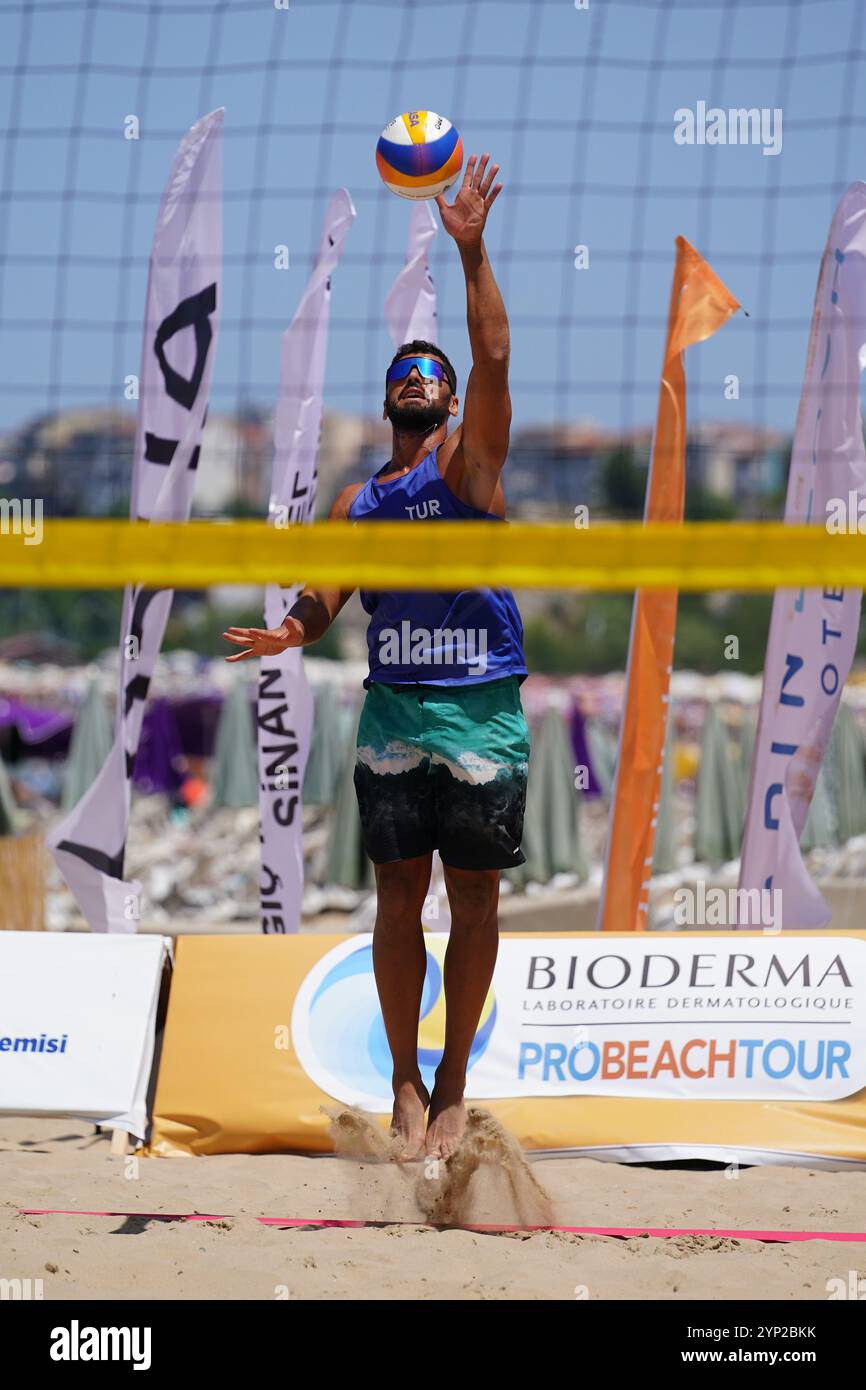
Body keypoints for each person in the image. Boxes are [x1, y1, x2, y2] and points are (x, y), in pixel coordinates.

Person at [224, 153, 529, 1161]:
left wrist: (470, 249)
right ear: (387, 397)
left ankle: (451, 1083)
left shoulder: (467, 461)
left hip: (480, 708)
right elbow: (326, 594)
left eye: (425, 372)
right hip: (395, 710)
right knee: (397, 894)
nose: (414, 376)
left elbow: (491, 357)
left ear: (441, 400)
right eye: (400, 370)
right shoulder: (361, 498)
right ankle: (401, 1077)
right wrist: (292, 630)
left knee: (475, 897)